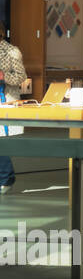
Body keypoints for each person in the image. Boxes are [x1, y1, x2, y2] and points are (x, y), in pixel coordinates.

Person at [0, 34, 28, 192]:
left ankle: (6, 178)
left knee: (1, 141)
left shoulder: (11, 51)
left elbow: (21, 76)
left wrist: (3, 76)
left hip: (4, 98)